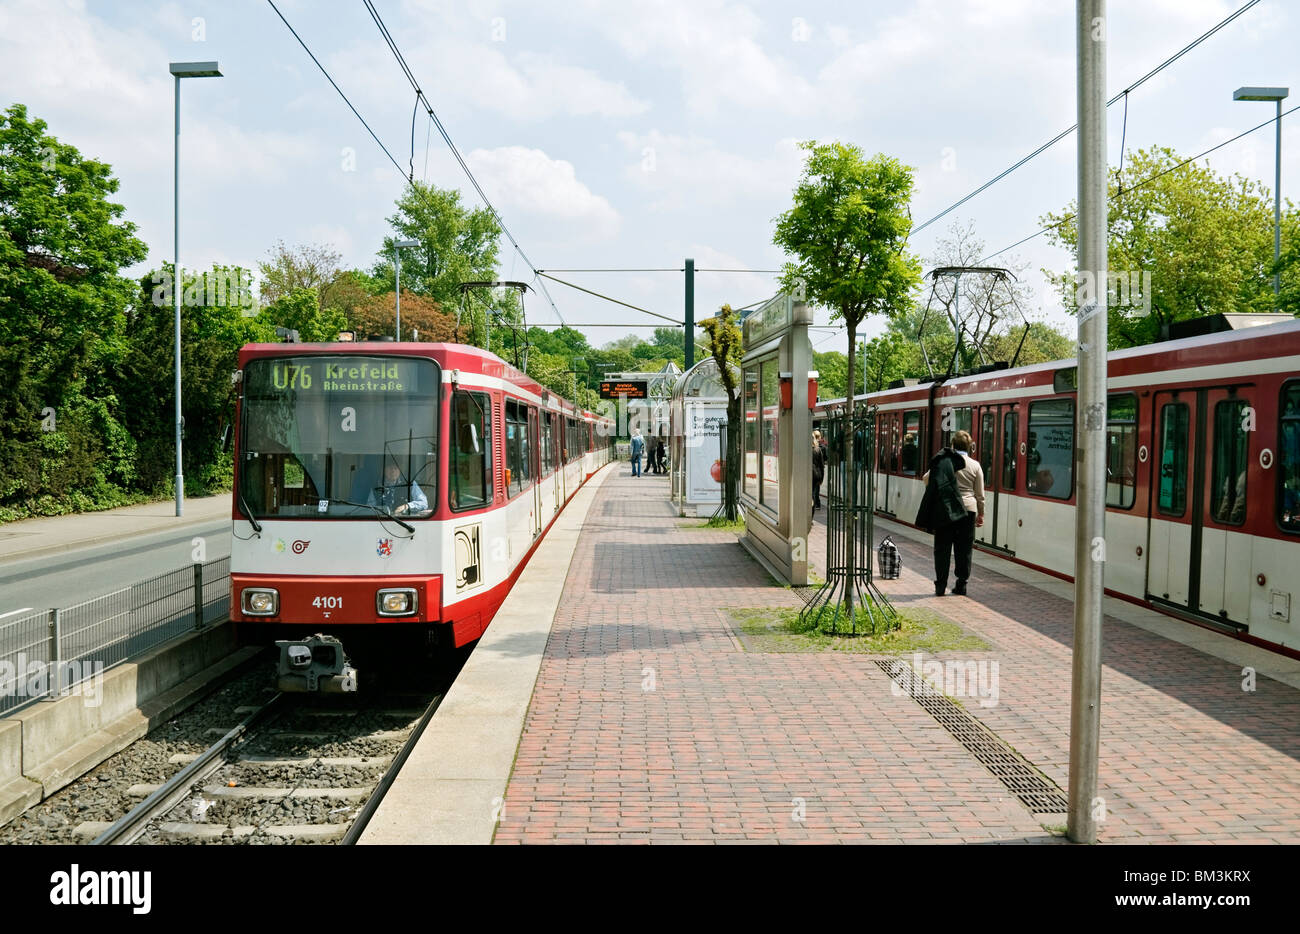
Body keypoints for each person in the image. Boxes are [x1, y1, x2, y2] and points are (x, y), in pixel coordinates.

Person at [917, 430, 984, 596]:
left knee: (942, 548)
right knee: (964, 549)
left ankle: (940, 586)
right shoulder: (975, 465)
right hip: (968, 510)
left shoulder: (944, 462)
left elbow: (926, 478)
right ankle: (961, 585)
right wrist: (981, 514)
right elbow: (980, 495)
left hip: (945, 509)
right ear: (970, 447)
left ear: (953, 445)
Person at [811, 432, 825, 512]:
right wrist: (822, 478)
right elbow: (821, 465)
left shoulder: (806, 449)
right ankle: (812, 511)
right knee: (813, 493)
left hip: (808, 474)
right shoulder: (818, 449)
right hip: (816, 474)